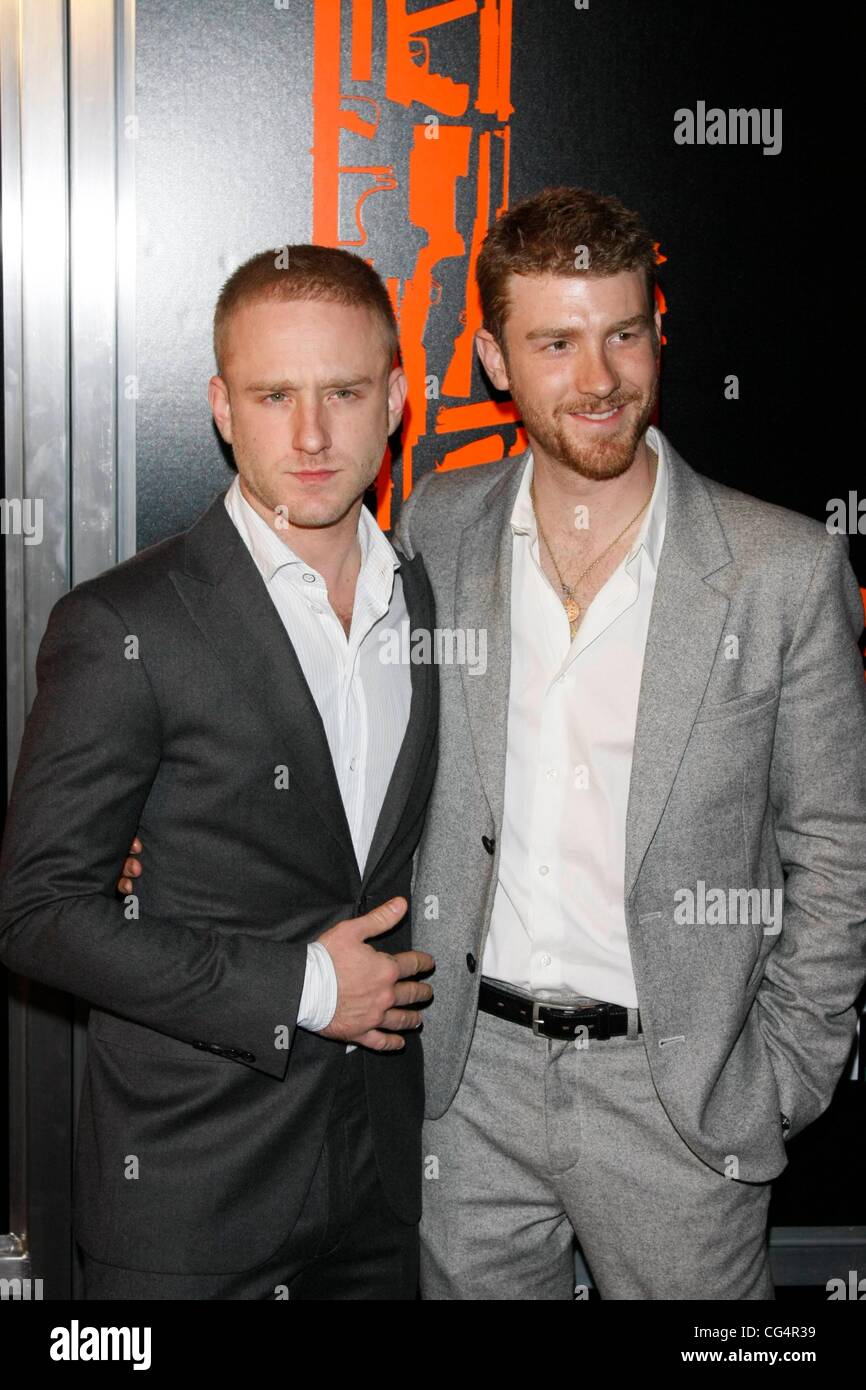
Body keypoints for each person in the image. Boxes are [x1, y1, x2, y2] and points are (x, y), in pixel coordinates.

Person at [390, 186, 866, 1299]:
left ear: (658, 330)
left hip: (681, 1093)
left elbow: (836, 847)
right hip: (465, 1091)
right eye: (554, 342)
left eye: (621, 333)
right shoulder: (436, 525)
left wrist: (778, 1076)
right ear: (493, 360)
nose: (597, 379)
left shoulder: (780, 569)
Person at [0, 244, 438, 1299]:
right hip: (188, 1200)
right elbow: (37, 912)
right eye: (272, 394)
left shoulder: (424, 601)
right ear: (219, 406)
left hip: (381, 1195)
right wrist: (307, 985)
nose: (311, 435)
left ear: (394, 399)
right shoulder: (124, 623)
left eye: (341, 392)